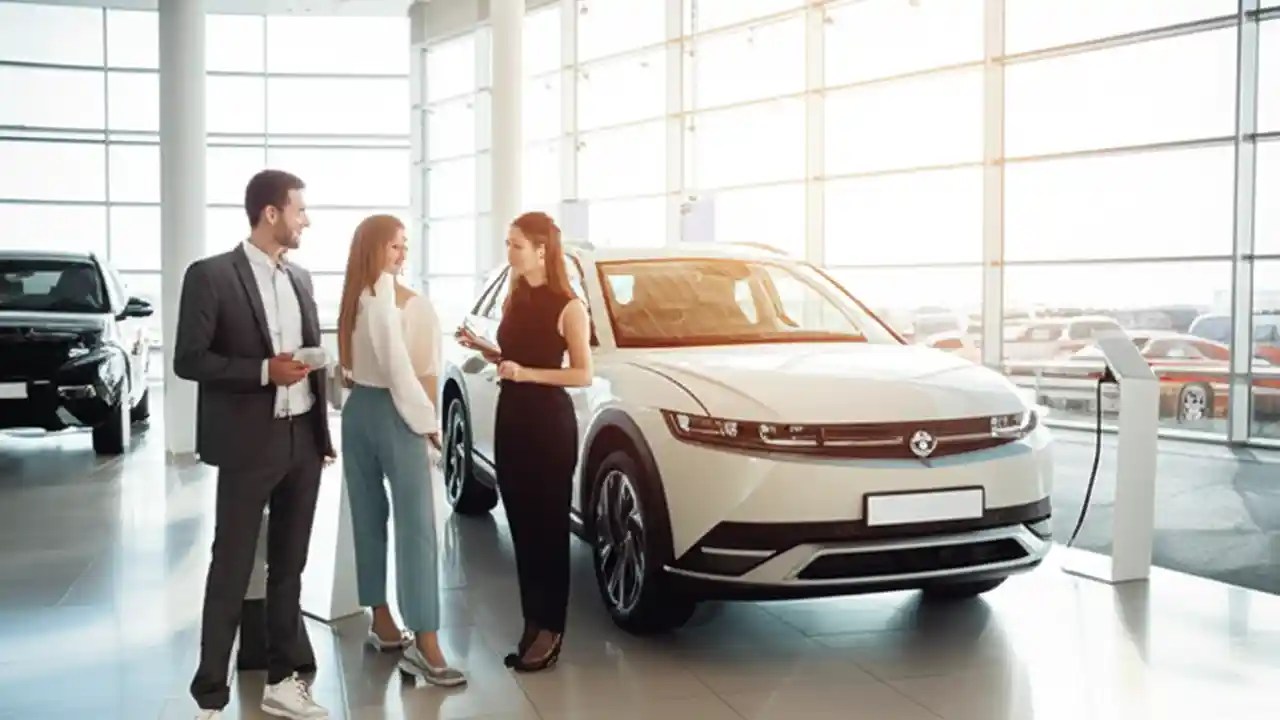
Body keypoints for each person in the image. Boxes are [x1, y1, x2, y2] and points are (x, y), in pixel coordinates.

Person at [175, 169, 335, 720]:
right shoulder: (211, 275)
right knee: (232, 565)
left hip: (303, 440)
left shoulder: (301, 279)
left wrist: (321, 429)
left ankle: (283, 682)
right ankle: (210, 696)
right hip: (249, 444)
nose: (305, 220)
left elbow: (308, 354)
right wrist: (265, 371)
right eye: (299, 210)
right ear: (271, 213)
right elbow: (189, 359)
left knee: (289, 567)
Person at [457, 211, 593, 673]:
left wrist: (526, 373)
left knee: (548, 529)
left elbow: (582, 374)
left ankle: (551, 629)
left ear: (541, 250)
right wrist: (487, 349)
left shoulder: (569, 306)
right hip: (512, 417)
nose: (509, 252)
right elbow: (517, 356)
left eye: (516, 245)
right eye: (508, 244)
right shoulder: (516, 297)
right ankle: (532, 621)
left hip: (548, 424)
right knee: (521, 526)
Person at [336, 214, 466, 686]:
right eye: (395, 245)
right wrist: (430, 426)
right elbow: (415, 374)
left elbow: (350, 369)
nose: (403, 253)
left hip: (359, 411)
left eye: (405, 245)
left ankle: (385, 623)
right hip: (397, 412)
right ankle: (425, 643)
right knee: (417, 528)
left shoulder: (353, 302)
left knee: (370, 518)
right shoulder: (406, 305)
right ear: (373, 249)